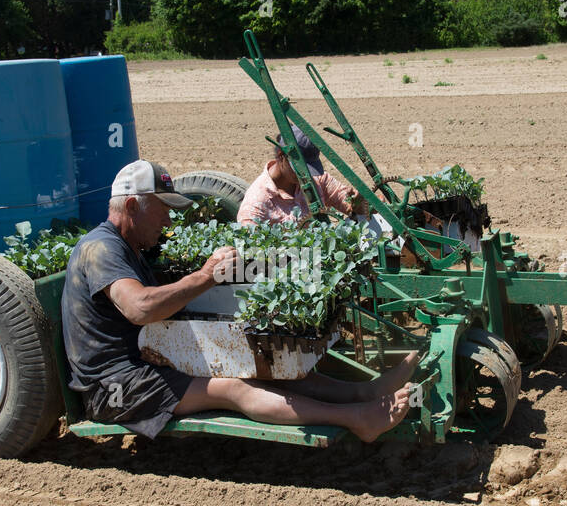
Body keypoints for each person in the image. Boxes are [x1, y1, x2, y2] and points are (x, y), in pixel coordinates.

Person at [61, 159, 418, 442]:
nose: (169, 218)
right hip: (116, 387)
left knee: (262, 362)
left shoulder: (131, 246)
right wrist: (205, 276)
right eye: (163, 208)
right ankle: (357, 419)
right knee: (233, 386)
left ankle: (364, 393)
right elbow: (140, 308)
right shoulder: (101, 249)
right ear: (134, 205)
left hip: (149, 359)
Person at [237, 125, 368, 225]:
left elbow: (352, 205)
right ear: (282, 156)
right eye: (300, 169)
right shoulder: (256, 205)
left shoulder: (317, 180)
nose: (306, 176)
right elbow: (253, 255)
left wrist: (359, 204)